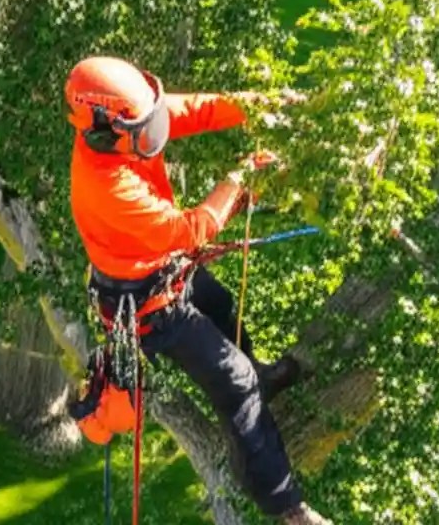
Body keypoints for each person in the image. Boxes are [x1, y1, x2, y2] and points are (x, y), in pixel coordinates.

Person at [65, 55, 333, 525]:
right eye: (143, 132)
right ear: (105, 131)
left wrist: (268, 106)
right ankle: (287, 508)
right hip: (151, 308)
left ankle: (262, 378)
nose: (154, 137)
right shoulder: (106, 186)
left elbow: (196, 110)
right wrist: (239, 181)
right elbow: (192, 229)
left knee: (223, 307)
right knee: (236, 381)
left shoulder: (130, 122)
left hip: (165, 270)